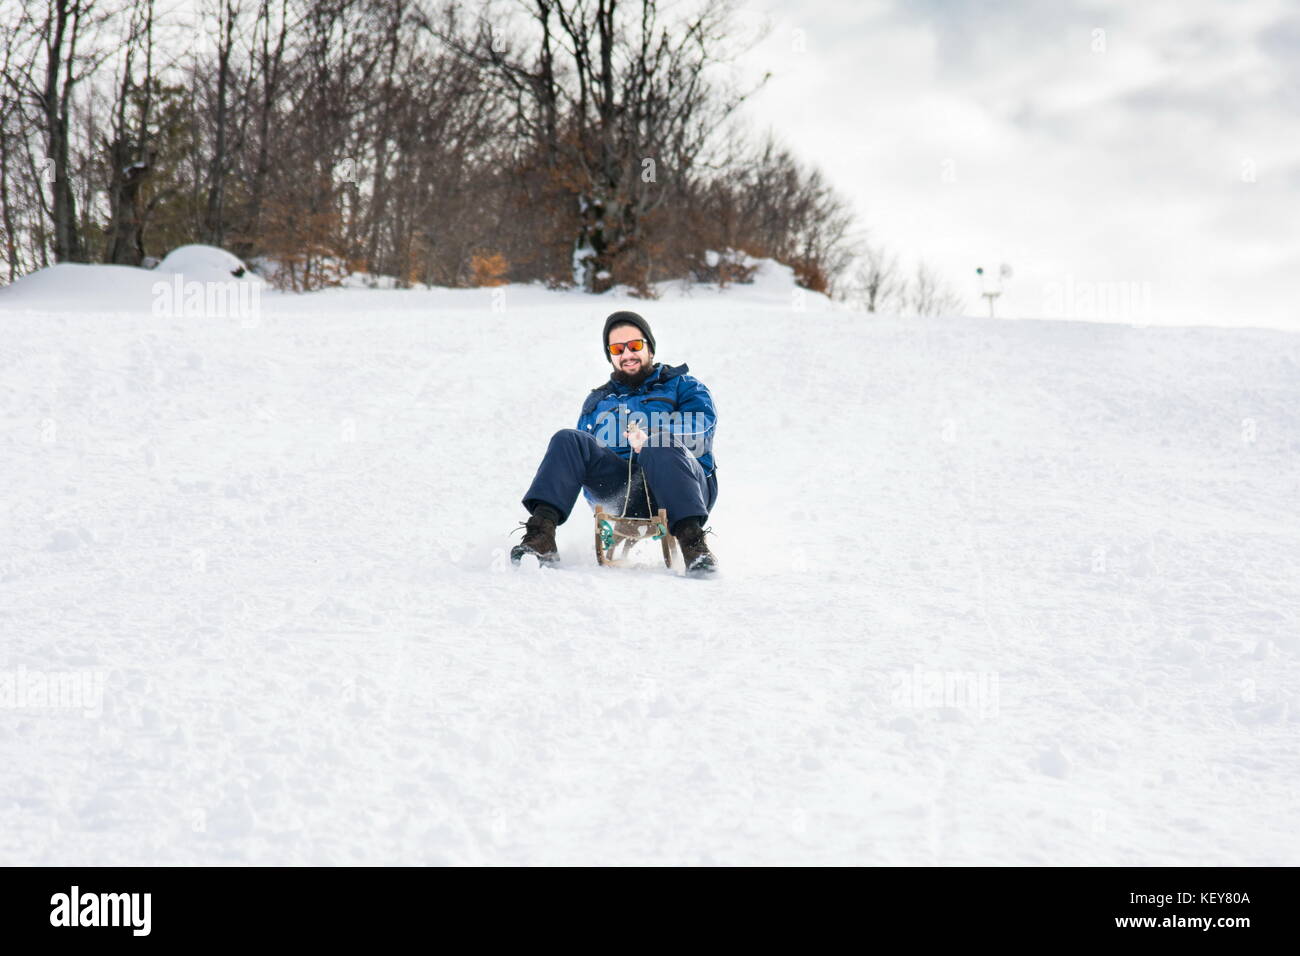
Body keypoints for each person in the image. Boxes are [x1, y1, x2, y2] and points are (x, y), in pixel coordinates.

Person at [511, 310, 719, 574]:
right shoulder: (598, 402)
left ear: (650, 349)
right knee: (568, 440)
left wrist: (655, 437)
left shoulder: (684, 386)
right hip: (625, 492)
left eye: (635, 346)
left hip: (685, 484)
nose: (627, 355)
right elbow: (578, 466)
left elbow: (702, 428)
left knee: (658, 446)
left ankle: (694, 546)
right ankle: (541, 536)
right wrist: (604, 506)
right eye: (618, 349)